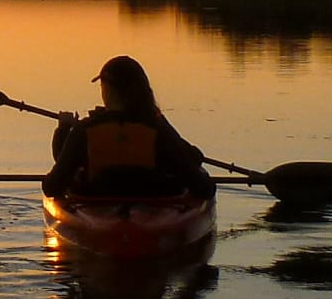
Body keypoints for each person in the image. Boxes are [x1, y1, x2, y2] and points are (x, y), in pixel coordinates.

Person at [43, 54, 212, 199]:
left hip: (96, 201)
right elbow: (203, 187)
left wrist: (63, 130)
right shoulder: (157, 128)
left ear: (107, 89)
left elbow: (53, 186)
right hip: (153, 201)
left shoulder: (85, 130)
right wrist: (194, 157)